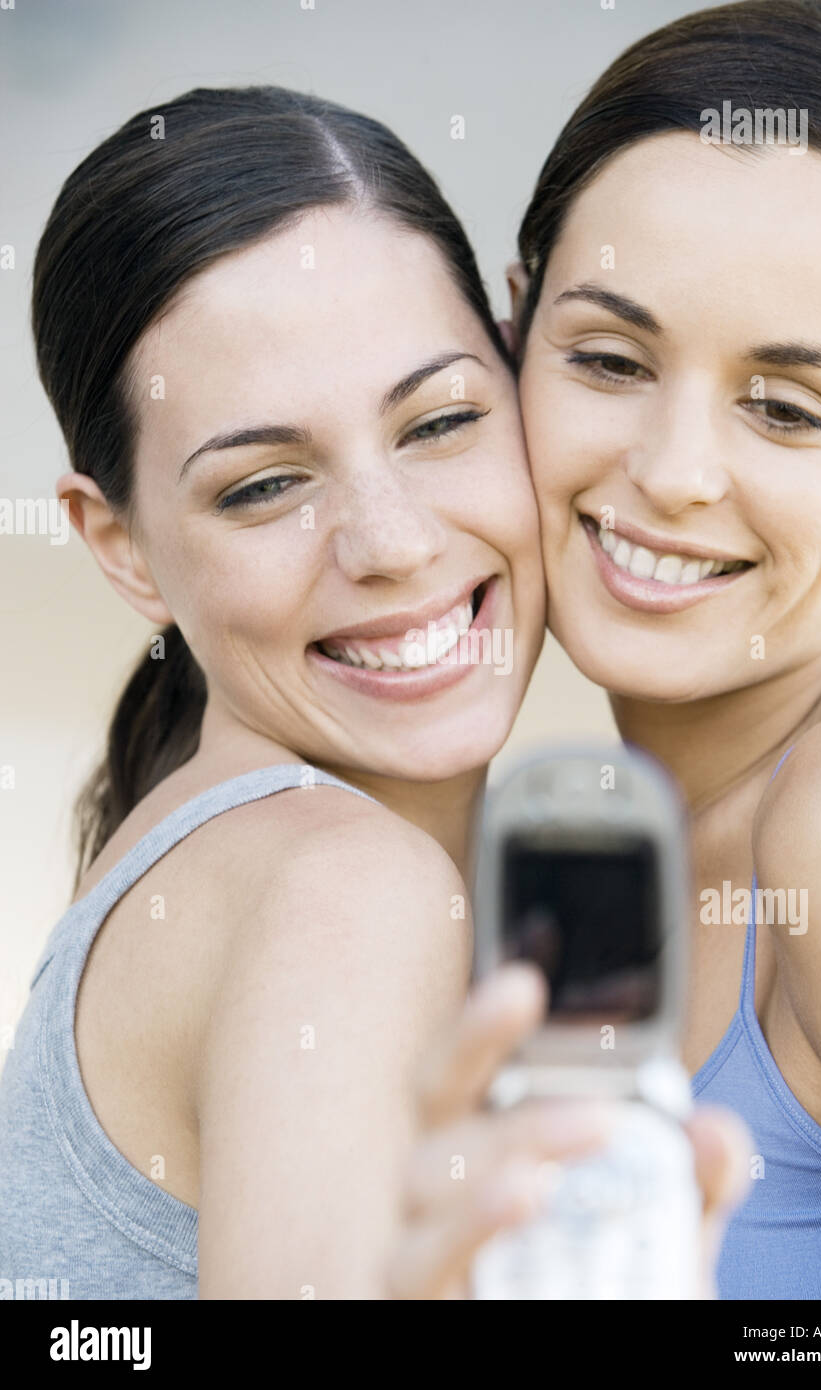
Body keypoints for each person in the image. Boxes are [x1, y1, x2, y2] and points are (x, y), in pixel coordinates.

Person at [0, 85, 745, 1300]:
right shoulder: (349, 887)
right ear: (119, 544)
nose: (391, 543)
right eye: (261, 487)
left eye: (441, 419)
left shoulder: (216, 859)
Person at [501, 0, 821, 1298]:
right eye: (609, 358)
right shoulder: (593, 852)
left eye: (783, 408)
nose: (673, 473)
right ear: (514, 331)